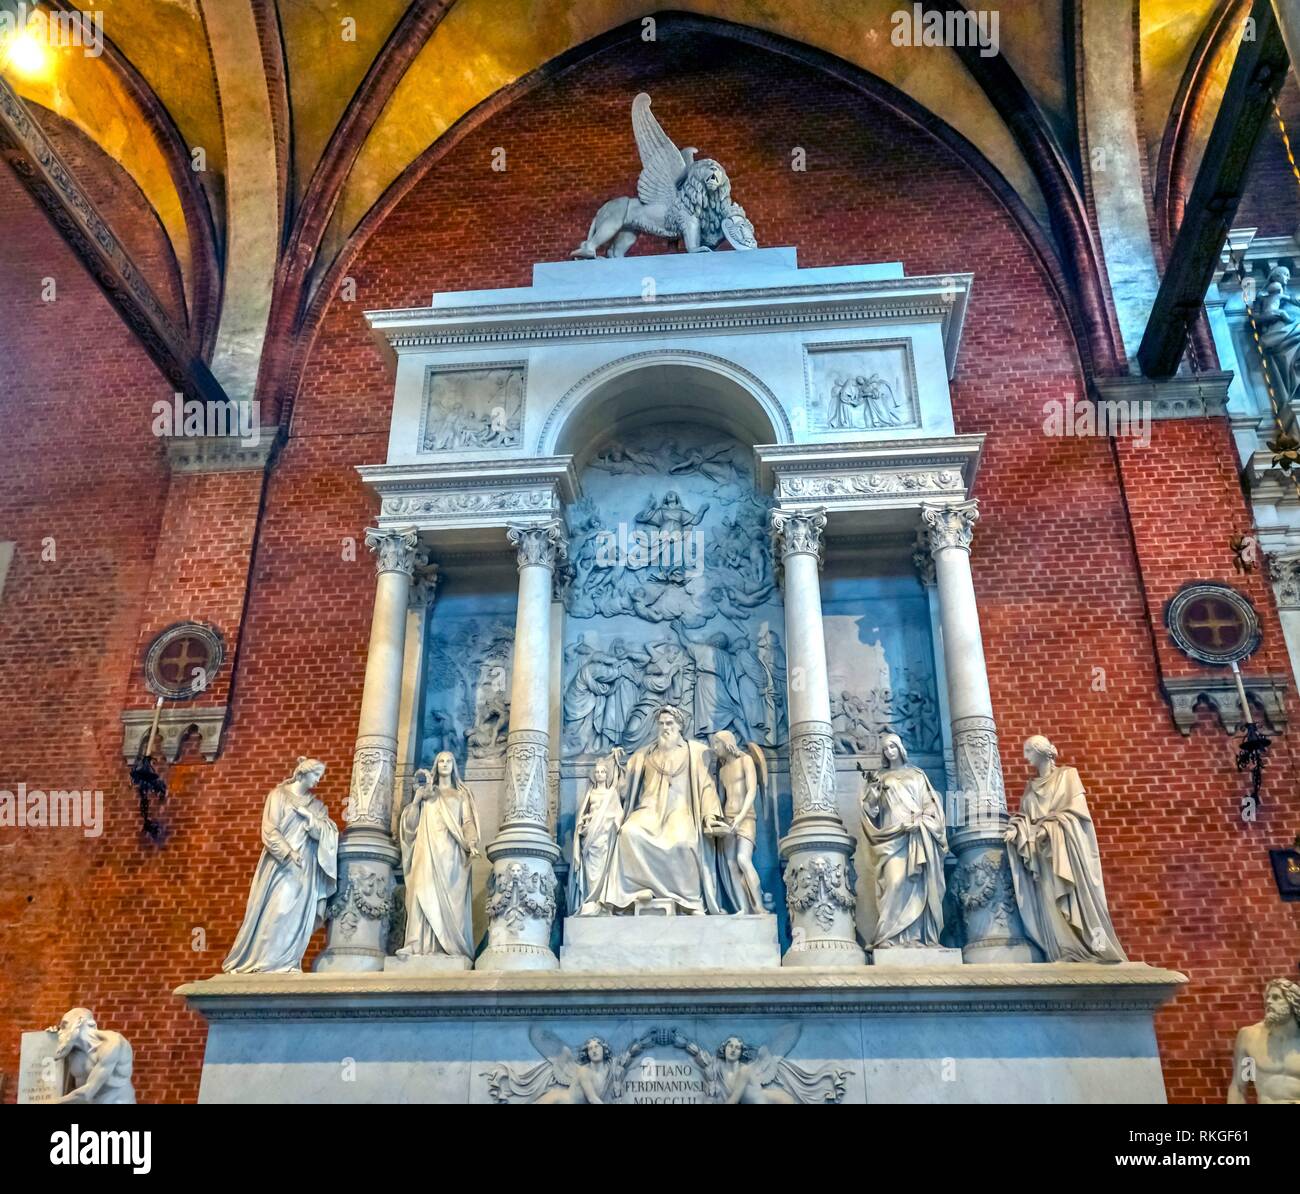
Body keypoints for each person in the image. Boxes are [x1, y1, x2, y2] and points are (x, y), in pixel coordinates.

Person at [1004, 735, 1126, 963]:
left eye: (1028, 751)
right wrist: (1016, 829)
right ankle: (1064, 950)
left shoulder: (1067, 776)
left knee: (1074, 901)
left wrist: (1048, 828)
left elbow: (1076, 815)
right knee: (1050, 905)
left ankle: (1088, 947)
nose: (1025, 757)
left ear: (1040, 751)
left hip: (1064, 851)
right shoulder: (1030, 788)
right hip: (1041, 856)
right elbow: (1025, 818)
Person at [599, 705, 723, 915]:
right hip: (649, 810)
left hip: (680, 810)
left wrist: (710, 815)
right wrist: (613, 765)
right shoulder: (644, 754)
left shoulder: (694, 752)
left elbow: (707, 786)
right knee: (628, 833)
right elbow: (625, 788)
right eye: (661, 724)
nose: (665, 728)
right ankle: (635, 893)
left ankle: (689, 901)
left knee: (685, 842)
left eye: (670, 723)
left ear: (680, 726)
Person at [223, 756, 338, 974]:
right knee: (277, 910)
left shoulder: (317, 807)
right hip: (281, 865)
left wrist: (310, 819)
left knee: (296, 916)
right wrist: (289, 852)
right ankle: (264, 962)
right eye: (316, 775)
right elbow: (269, 830)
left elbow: (327, 833)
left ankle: (287, 962)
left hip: (306, 868)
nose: (318, 781)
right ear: (303, 772)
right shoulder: (278, 796)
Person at [859, 733, 947, 948]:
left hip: (916, 834)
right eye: (885, 748)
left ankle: (916, 937)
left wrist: (921, 821)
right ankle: (887, 936)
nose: (889, 751)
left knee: (917, 884)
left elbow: (930, 804)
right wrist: (873, 794)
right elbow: (871, 810)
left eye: (892, 747)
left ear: (900, 748)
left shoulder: (916, 775)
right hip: (891, 835)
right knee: (895, 881)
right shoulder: (879, 776)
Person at [397, 752, 481, 960]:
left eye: (448, 761)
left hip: (451, 853)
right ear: (435, 765)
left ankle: (448, 946)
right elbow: (410, 827)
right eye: (441, 761)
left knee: (450, 900)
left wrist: (471, 842)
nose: (445, 764)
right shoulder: (427, 793)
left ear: (454, 766)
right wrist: (416, 800)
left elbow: (467, 822)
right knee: (420, 890)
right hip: (425, 848)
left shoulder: (460, 794)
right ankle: (415, 944)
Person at [709, 731, 767, 914]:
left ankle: (759, 906)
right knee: (731, 864)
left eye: (717, 743)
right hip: (728, 819)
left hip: (746, 817)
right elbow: (720, 799)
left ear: (727, 743)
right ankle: (743, 908)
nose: (714, 748)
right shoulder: (722, 770)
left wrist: (741, 816)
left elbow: (752, 791)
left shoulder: (746, 761)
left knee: (743, 859)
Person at [568, 754, 626, 915]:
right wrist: (582, 822)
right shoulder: (590, 793)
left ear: (607, 775)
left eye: (602, 772)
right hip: (590, 835)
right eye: (597, 772)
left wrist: (616, 822)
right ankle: (590, 899)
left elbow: (618, 812)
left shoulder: (611, 793)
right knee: (591, 869)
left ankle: (601, 899)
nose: (600, 774)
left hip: (605, 834)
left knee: (604, 868)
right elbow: (582, 814)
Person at [1227, 979, 1300, 1104]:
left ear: (1293, 1003)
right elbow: (1239, 1086)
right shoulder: (1249, 1037)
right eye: (1268, 997)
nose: (1269, 1002)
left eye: (1276, 997)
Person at [51, 1008, 134, 1104]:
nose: (60, 1032)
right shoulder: (74, 1051)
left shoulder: (112, 1044)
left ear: (80, 1022)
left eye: (64, 1026)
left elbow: (86, 1093)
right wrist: (49, 1037)